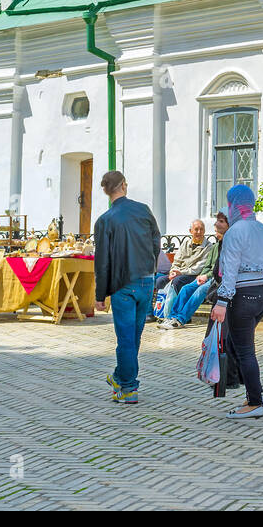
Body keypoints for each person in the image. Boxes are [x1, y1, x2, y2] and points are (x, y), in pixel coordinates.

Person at [209, 185, 263, 419]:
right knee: (239, 347)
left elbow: (230, 270)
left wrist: (222, 302)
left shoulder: (235, 232)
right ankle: (252, 396)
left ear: (234, 204)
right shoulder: (262, 230)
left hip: (241, 297)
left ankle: (255, 401)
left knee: (245, 351)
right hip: (260, 295)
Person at [93, 170, 162, 405]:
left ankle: (127, 386)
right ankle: (122, 379)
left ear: (105, 190)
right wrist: (150, 267)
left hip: (122, 283)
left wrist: (99, 294)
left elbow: (101, 261)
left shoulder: (104, 221)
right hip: (145, 280)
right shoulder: (143, 210)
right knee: (134, 336)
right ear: (124, 185)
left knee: (126, 338)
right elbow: (156, 241)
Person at [158, 213, 227, 328]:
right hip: (206, 277)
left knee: (200, 291)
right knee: (186, 288)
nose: (216, 234)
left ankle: (180, 319)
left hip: (218, 279)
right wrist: (202, 275)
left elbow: (219, 268)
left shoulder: (225, 247)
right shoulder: (216, 246)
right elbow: (207, 266)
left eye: (218, 231)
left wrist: (206, 276)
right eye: (215, 231)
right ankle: (171, 317)